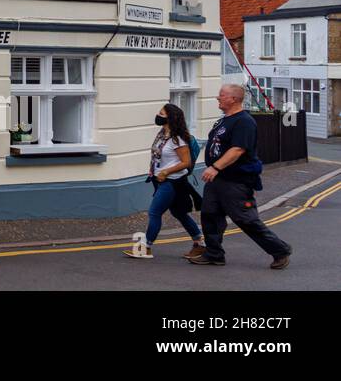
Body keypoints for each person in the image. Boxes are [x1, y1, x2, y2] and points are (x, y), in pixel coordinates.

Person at [189, 83, 292, 269]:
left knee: (245, 219)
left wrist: (215, 167)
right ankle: (214, 254)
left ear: (233, 99)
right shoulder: (223, 120)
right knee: (210, 215)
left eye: (222, 95)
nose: (218, 98)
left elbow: (237, 150)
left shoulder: (244, 121)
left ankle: (280, 250)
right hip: (217, 181)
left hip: (235, 181)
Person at [125, 102, 204, 259]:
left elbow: (186, 162)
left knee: (154, 212)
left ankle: (145, 247)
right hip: (160, 180)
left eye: (162, 114)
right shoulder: (162, 134)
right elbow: (158, 155)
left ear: (171, 118)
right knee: (179, 213)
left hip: (171, 182)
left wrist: (166, 171)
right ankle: (200, 243)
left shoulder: (178, 140)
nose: (158, 116)